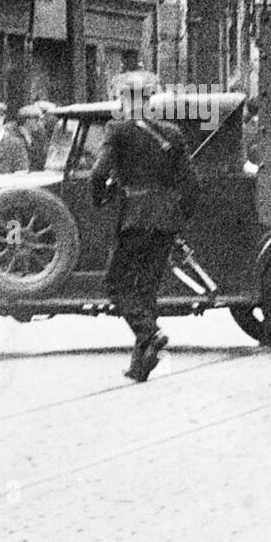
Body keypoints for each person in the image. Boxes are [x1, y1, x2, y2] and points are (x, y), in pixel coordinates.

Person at [89, 70, 200, 382]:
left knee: (116, 282)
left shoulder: (118, 129)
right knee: (146, 288)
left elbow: (99, 173)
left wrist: (100, 199)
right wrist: (179, 219)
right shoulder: (172, 133)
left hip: (135, 217)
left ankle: (149, 333)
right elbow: (191, 184)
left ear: (124, 100)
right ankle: (142, 364)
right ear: (150, 100)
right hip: (165, 220)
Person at [16, 104, 49, 170]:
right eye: (37, 120)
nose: (40, 123)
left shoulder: (39, 136)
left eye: (41, 120)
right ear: (28, 121)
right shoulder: (14, 135)